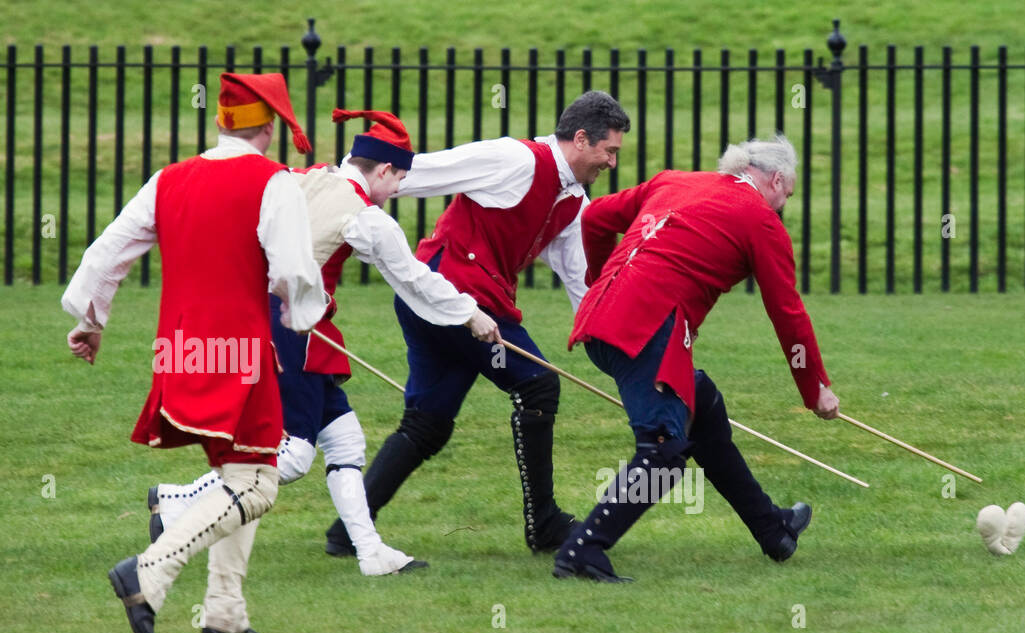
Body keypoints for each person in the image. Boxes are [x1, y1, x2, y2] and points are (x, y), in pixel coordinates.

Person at [147, 108, 502, 583]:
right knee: (292, 455)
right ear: (382, 170)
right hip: (291, 329)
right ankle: (175, 502)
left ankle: (371, 552)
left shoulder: (301, 177)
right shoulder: (365, 218)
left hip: (276, 318)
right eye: (398, 179)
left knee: (345, 439)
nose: (398, 190)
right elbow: (413, 280)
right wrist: (471, 315)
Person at [63, 72, 327, 633]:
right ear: (270, 126)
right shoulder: (273, 181)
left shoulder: (170, 179)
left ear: (220, 120)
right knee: (258, 485)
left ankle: (225, 614)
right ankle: (149, 571)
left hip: (180, 349)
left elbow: (107, 251)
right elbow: (293, 272)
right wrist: (301, 313)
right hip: (238, 349)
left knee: (239, 472)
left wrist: (91, 320)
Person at [322, 90, 630, 558]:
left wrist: (622, 355)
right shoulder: (514, 159)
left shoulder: (574, 205)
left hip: (452, 305)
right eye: (609, 150)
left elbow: (581, 287)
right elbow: (416, 171)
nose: (612, 161)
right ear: (582, 139)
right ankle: (544, 524)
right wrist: (346, 184)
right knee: (538, 385)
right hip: (453, 301)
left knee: (427, 424)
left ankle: (348, 531)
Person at [553, 134, 840, 582]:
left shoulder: (673, 181)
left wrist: (600, 280)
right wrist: (814, 389)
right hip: (646, 331)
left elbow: (595, 219)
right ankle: (583, 551)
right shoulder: (760, 221)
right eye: (788, 194)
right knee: (664, 450)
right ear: (776, 179)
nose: (784, 205)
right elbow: (787, 313)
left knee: (700, 405)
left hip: (601, 322)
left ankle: (773, 529)